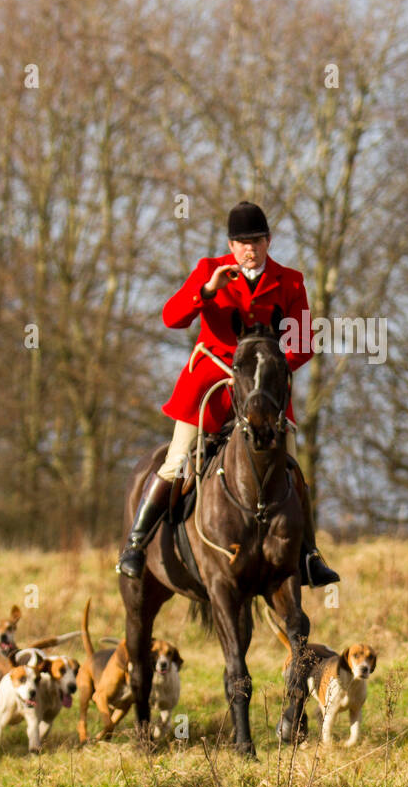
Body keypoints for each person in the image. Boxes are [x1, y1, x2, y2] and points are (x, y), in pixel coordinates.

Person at [117, 201, 339, 588]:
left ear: (269, 241)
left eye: (255, 240)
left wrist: (272, 367)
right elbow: (172, 317)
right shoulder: (208, 270)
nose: (248, 249)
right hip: (210, 387)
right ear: (231, 245)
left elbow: (304, 341)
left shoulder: (291, 281)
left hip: (263, 396)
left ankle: (308, 556)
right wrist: (206, 291)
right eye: (240, 242)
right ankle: (136, 545)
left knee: (292, 470)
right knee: (175, 462)